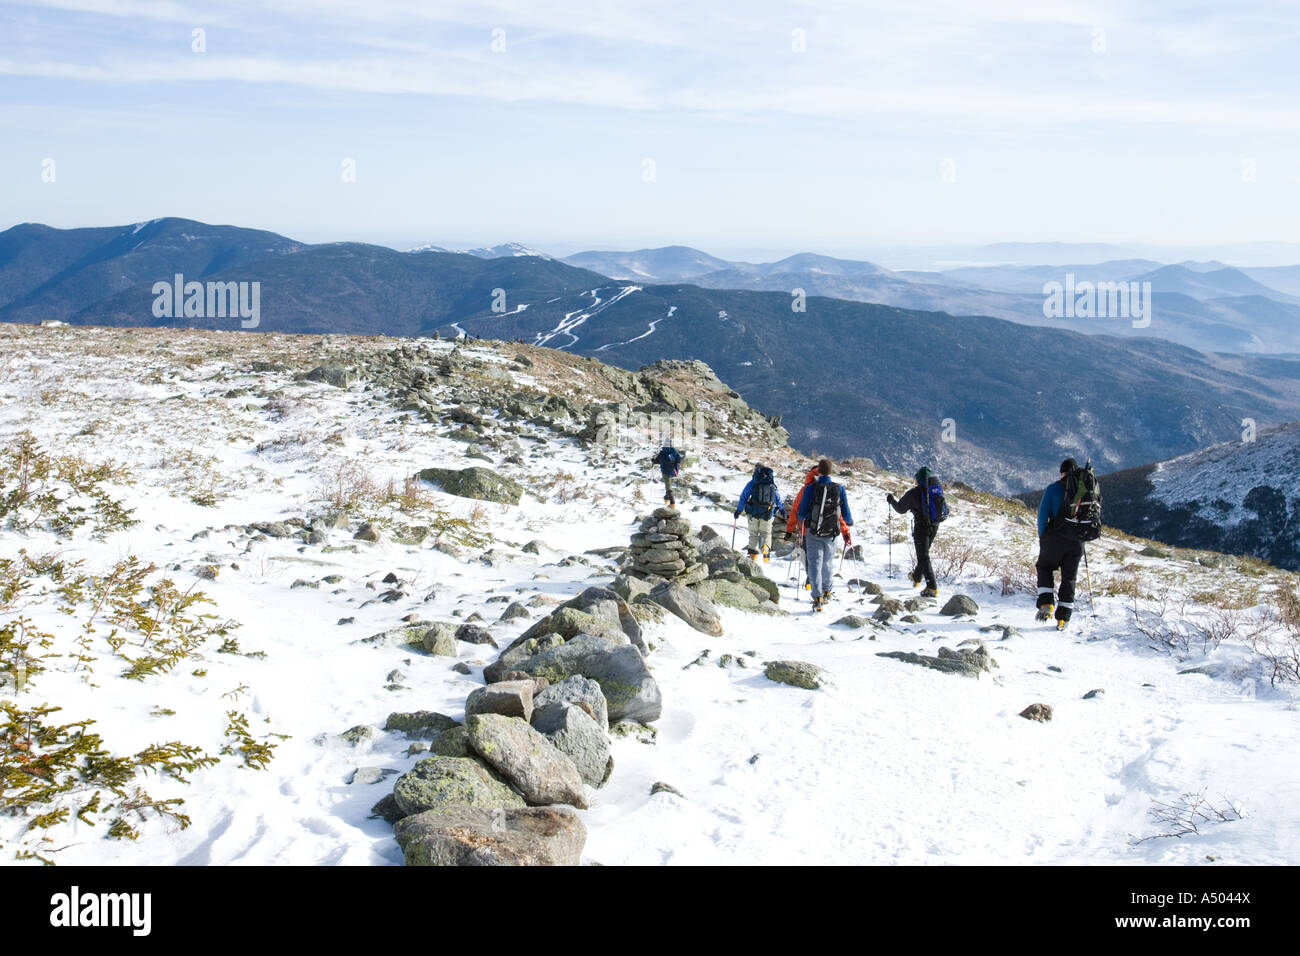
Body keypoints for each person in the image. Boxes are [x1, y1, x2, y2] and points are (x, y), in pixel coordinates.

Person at [796, 458, 853, 611]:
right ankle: (827, 591)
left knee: (814, 563)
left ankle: (817, 597)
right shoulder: (839, 489)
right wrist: (848, 523)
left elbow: (801, 513)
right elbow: (846, 513)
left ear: (818, 471)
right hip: (832, 533)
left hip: (813, 532)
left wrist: (802, 521)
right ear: (831, 472)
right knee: (827, 562)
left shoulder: (811, 488)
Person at [1035, 458, 1085, 628]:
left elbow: (1042, 516)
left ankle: (1047, 603)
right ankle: (1063, 619)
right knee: (1069, 578)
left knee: (1045, 567)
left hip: (1055, 538)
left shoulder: (1053, 489)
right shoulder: (1084, 489)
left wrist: (1043, 537)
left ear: (1062, 472)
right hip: (1077, 541)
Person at [786, 464, 850, 589]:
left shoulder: (807, 489)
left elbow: (796, 511)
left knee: (811, 559)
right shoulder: (833, 490)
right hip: (830, 531)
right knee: (825, 561)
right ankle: (823, 588)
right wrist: (845, 531)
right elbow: (838, 515)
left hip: (808, 530)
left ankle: (812, 582)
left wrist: (789, 530)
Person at [886, 467, 943, 598]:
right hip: (935, 525)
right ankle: (916, 577)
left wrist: (891, 500)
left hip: (921, 527)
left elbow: (900, 509)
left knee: (923, 557)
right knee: (924, 554)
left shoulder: (914, 493)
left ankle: (931, 587)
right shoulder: (936, 491)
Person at [734, 464, 782, 562]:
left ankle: (752, 557)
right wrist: (782, 509)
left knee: (753, 534)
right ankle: (766, 556)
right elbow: (777, 498)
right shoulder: (771, 483)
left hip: (753, 513)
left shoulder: (752, 483)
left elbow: (743, 497)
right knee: (766, 533)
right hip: (767, 514)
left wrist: (738, 511)